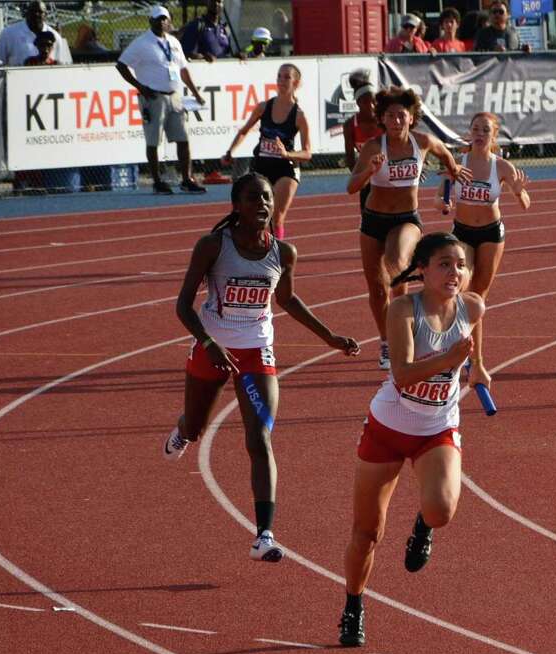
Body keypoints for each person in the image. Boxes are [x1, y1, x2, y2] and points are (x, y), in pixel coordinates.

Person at [163, 172, 360, 561]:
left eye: (267, 198)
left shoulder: (283, 253)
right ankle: (183, 431)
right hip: (212, 347)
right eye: (254, 198)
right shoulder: (213, 247)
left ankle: (264, 535)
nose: (263, 205)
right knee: (196, 425)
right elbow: (183, 304)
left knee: (260, 439)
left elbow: (287, 300)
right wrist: (208, 342)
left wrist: (329, 337)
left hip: (256, 352)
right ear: (237, 205)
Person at [338, 232, 485, 647]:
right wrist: (451, 360)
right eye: (444, 264)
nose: (454, 272)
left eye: (460, 264)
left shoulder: (472, 306)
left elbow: (474, 338)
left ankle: (423, 524)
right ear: (422, 269)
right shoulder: (403, 308)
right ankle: (353, 605)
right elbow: (402, 374)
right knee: (367, 533)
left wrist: (479, 366)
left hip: (436, 429)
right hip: (387, 428)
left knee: (440, 511)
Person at [346, 87, 470, 370]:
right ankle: (388, 342)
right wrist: (369, 171)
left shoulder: (423, 142)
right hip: (373, 221)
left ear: (411, 118)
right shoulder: (374, 147)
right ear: (383, 119)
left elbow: (444, 153)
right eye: (390, 116)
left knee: (397, 262)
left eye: (401, 115)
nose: (396, 121)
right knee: (377, 289)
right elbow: (351, 187)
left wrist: (453, 170)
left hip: (406, 219)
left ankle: (412, 313)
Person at [438, 112, 530, 391]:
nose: (479, 134)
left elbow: (525, 203)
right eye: (475, 129)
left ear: (493, 136)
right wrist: (443, 204)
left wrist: (518, 191)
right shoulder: (456, 164)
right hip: (462, 230)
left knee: (477, 299)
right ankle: (454, 344)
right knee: (458, 290)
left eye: (485, 130)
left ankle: (476, 362)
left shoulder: (501, 167)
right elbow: (440, 197)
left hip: (491, 234)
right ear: (469, 133)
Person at [116, 5, 207, 195]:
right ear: (150, 21)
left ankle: (186, 179)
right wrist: (140, 87)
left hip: (174, 96)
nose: (162, 22)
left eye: (165, 18)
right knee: (153, 140)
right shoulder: (142, 43)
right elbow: (121, 65)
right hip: (153, 97)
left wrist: (195, 93)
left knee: (183, 138)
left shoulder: (173, 42)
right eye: (158, 19)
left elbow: (182, 69)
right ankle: (157, 181)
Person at [221, 64, 311, 240]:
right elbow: (244, 131)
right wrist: (230, 151)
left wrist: (287, 154)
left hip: (286, 169)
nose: (281, 81)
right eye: (279, 76)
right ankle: (248, 250)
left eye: (286, 77)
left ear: (296, 82)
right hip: (262, 166)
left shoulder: (299, 116)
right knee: (248, 214)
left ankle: (277, 254)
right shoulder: (264, 107)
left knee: (275, 218)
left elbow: (307, 153)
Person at [343, 78, 382, 212]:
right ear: (358, 103)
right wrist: (360, 177)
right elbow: (349, 157)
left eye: (374, 101)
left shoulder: (384, 122)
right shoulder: (350, 125)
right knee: (367, 215)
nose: (371, 106)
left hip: (388, 175)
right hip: (367, 175)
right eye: (366, 101)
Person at [0, 1, 72, 66]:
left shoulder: (55, 36)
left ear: (46, 15)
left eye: (40, 12)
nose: (36, 14)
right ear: (26, 13)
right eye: (33, 11)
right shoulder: (8, 34)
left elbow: (63, 66)